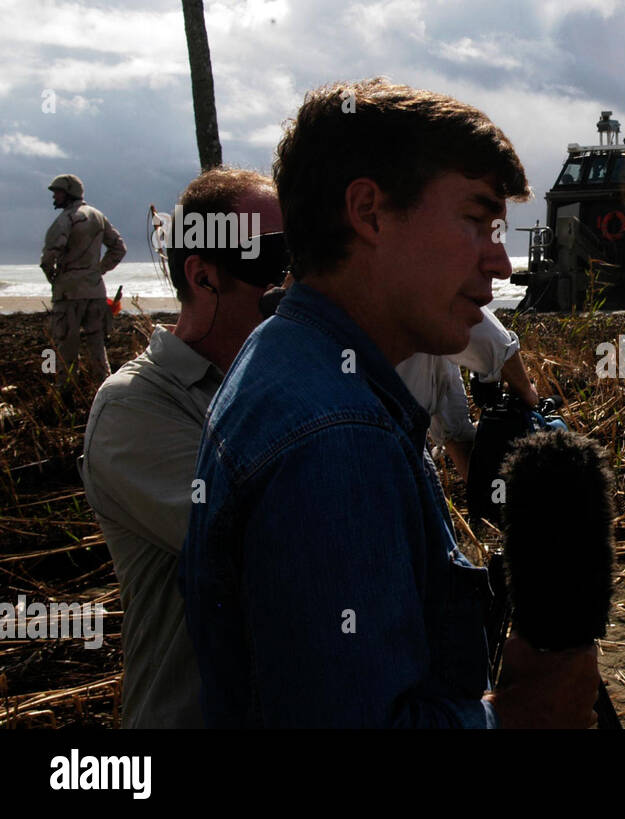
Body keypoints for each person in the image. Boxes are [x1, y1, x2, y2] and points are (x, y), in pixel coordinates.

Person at [179, 79, 599, 728]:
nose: (502, 263)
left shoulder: (284, 357)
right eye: (476, 219)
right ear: (369, 211)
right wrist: (525, 715)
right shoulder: (335, 437)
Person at [79, 168, 286, 728]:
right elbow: (272, 549)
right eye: (272, 259)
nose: (290, 282)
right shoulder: (133, 408)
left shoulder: (282, 384)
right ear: (203, 275)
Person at [396, 306, 538, 479]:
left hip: (385, 438)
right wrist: (527, 392)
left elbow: (453, 429)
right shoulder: (428, 287)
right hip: (390, 445)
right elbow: (492, 340)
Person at [40, 174, 127, 390]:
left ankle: (66, 394)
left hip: (68, 294)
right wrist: (98, 270)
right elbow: (118, 248)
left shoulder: (65, 220)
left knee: (66, 349)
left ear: (69, 192)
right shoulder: (98, 216)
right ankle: (105, 392)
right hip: (96, 292)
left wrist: (54, 279)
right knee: (98, 349)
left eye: (57, 192)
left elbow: (48, 257)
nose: (54, 197)